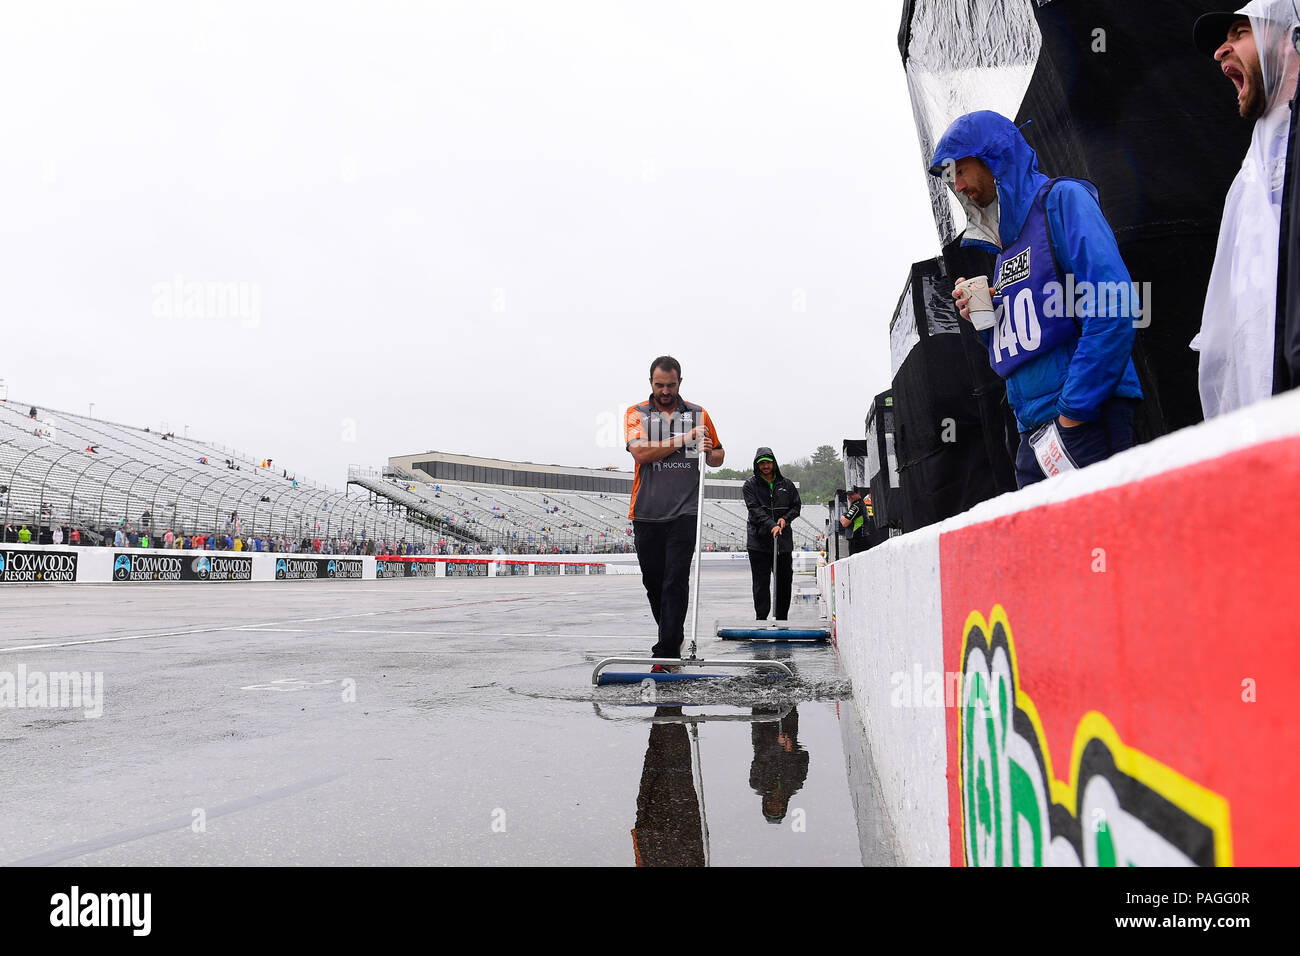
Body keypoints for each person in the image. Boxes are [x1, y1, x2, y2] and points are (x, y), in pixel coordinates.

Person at [934, 110, 1143, 488]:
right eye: (951, 180)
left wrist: (1074, 415)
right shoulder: (1003, 248)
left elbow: (1115, 305)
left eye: (961, 171)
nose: (958, 187)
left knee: (1105, 544)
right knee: (1048, 548)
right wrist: (988, 318)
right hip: (1035, 434)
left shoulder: (1062, 200)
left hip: (1086, 419)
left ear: (994, 158)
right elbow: (1026, 342)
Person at [1192, 2, 1300, 415]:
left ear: (1291, 37)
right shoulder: (1248, 179)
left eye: (1240, 32)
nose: (1221, 51)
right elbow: (1226, 334)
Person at [624, 355, 725, 667]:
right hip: (646, 512)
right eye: (659, 385)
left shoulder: (699, 413)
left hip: (685, 512)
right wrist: (684, 439)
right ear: (651, 383)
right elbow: (640, 452)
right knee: (653, 582)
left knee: (675, 581)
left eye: (670, 385)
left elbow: (718, 455)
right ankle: (673, 634)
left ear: (680, 382)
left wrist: (712, 452)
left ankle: (666, 653)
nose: (665, 390)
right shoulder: (636, 413)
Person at [742, 448, 801, 621]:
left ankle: (782, 618)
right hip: (758, 542)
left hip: (782, 542)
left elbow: (796, 507)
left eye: (768, 462)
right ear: (757, 465)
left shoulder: (787, 485)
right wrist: (771, 525)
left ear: (774, 463)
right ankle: (761, 618)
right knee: (761, 583)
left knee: (784, 581)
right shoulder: (750, 485)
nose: (765, 466)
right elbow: (754, 509)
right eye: (762, 463)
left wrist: (785, 519)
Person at [838, 490, 871, 556]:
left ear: (858, 493)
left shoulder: (856, 506)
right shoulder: (860, 504)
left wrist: (842, 517)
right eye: (848, 495)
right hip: (862, 539)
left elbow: (845, 523)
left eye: (851, 494)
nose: (849, 497)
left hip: (858, 540)